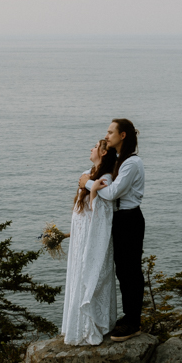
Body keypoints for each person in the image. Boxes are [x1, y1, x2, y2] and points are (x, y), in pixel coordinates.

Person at [83, 118, 145, 341]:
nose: (106, 136)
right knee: (122, 270)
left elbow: (110, 193)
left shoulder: (131, 163)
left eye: (110, 132)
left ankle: (133, 322)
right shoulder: (121, 160)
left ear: (123, 135)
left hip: (130, 219)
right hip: (121, 220)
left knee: (131, 271)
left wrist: (88, 184)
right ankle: (129, 317)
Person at [60, 139, 118, 345]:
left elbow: (102, 213)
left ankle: (89, 326)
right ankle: (76, 326)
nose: (91, 148)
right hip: (81, 237)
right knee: (78, 275)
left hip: (92, 239)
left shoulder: (106, 179)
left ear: (103, 153)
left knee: (89, 276)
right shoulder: (89, 174)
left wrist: (91, 190)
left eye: (95, 146)